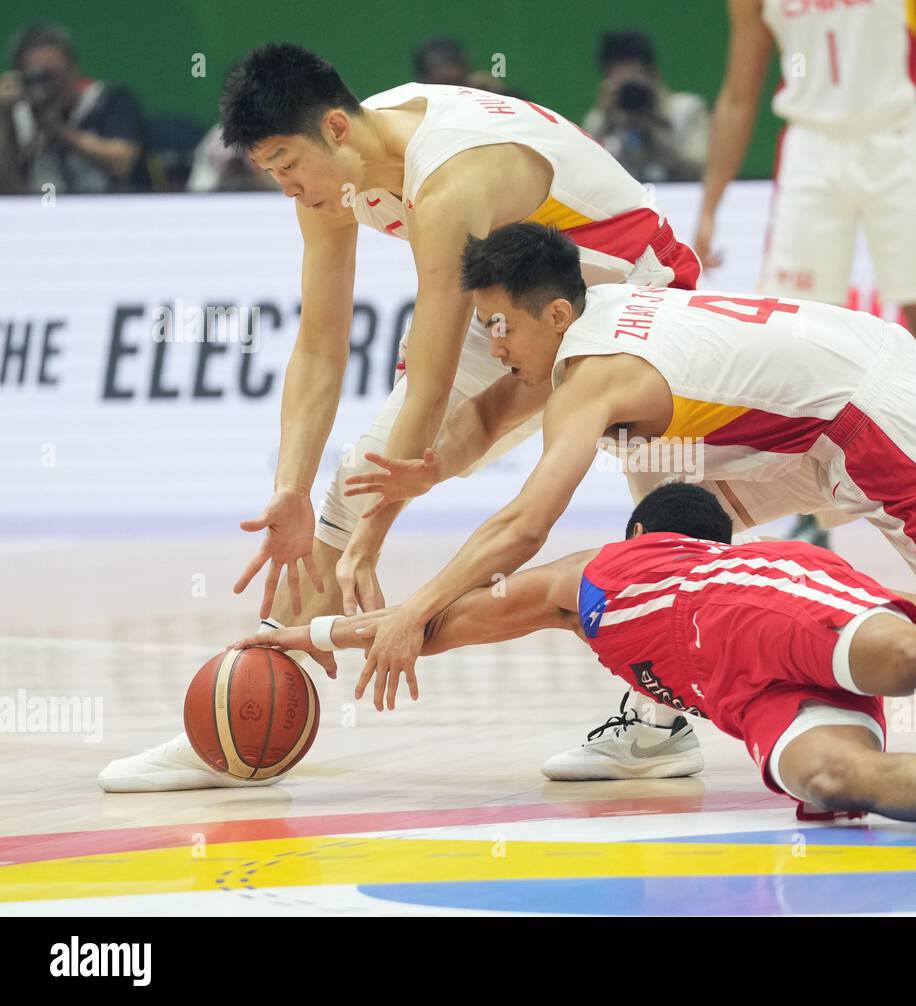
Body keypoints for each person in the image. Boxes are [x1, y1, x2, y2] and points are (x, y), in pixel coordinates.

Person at [335, 222, 916, 781]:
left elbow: (524, 526)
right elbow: (490, 411)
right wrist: (423, 476)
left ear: (551, 314)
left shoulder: (591, 377)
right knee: (664, 537)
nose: (493, 347)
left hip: (872, 418)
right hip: (810, 425)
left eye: (499, 326)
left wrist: (416, 606)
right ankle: (655, 721)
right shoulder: (585, 314)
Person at [95, 43, 701, 793]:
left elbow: (434, 377)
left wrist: (371, 533)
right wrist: (292, 487)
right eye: (270, 173)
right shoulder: (333, 178)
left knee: (670, 514)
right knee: (341, 497)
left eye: (289, 164)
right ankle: (231, 723)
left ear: (338, 130)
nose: (287, 188)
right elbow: (319, 348)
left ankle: (660, 723)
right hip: (515, 297)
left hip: (636, 291)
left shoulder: (449, 181)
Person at [243, 482, 916, 847]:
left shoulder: (615, 569)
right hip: (751, 696)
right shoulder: (602, 600)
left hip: (757, 618)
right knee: (834, 775)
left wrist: (320, 633)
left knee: (908, 657)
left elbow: (442, 621)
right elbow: (437, 629)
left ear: (653, 531)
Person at [695, 0, 916, 551]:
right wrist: (709, 206)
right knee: (792, 338)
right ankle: (811, 511)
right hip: (811, 150)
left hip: (896, 142)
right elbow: (737, 93)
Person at [0, 21, 149, 194]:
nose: (49, 86)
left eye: (54, 75)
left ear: (74, 69)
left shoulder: (107, 102)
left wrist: (56, 127)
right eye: (37, 77)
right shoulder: (18, 117)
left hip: (105, 210)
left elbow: (121, 163)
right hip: (37, 213)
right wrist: (3, 117)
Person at [582, 31, 710, 183]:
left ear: (654, 74)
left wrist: (655, 123)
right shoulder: (600, 119)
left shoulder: (687, 111)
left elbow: (701, 169)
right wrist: (606, 120)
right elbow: (586, 175)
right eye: (620, 82)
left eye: (635, 77)